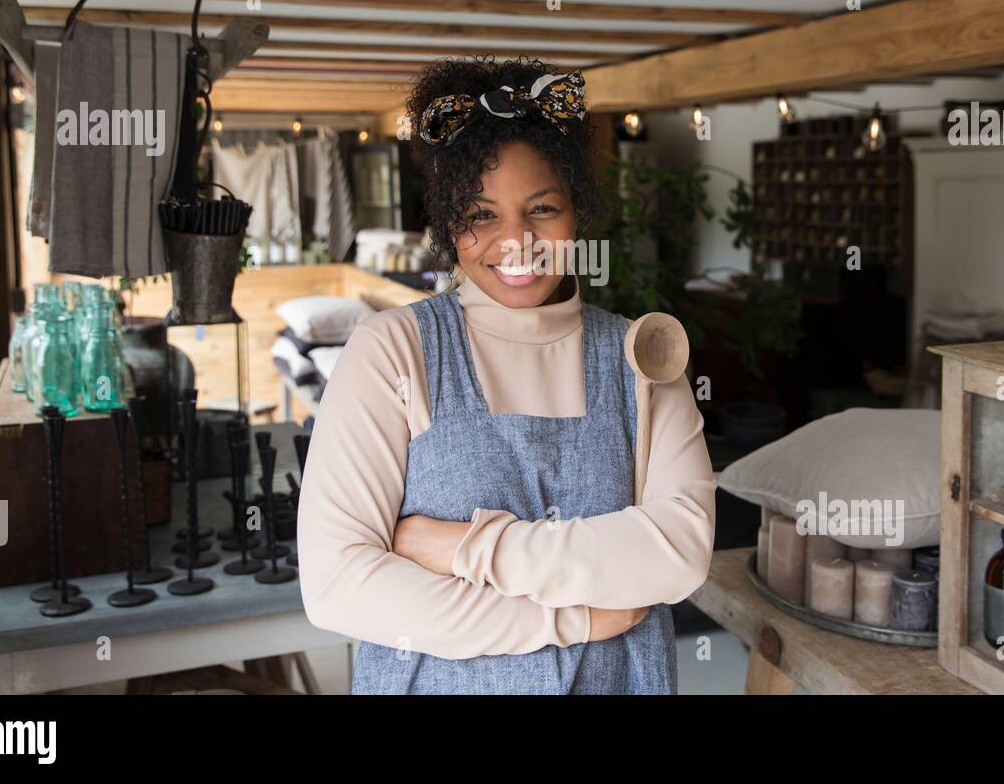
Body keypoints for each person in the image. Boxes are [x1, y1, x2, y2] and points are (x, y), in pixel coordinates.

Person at [297, 57, 716, 694]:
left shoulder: (643, 358)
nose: (516, 241)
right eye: (482, 214)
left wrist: (464, 550)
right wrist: (572, 617)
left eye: (542, 208)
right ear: (448, 222)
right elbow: (338, 587)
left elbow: (678, 553)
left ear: (576, 211)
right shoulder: (393, 350)